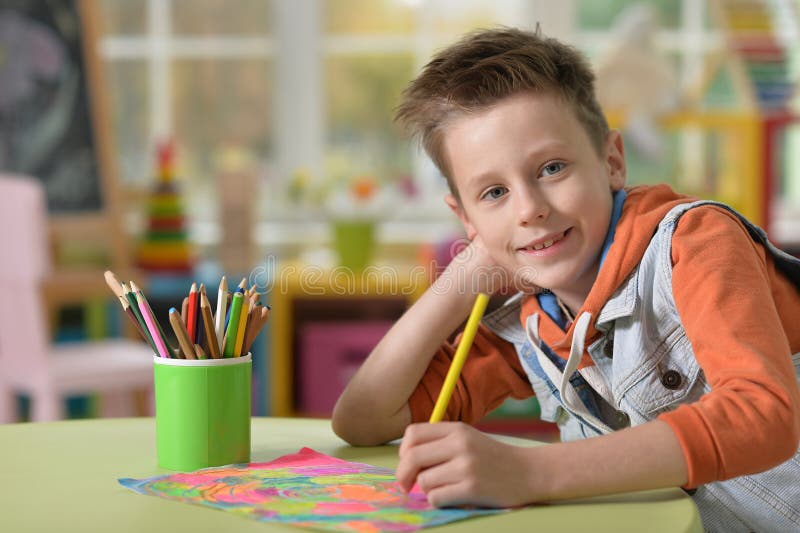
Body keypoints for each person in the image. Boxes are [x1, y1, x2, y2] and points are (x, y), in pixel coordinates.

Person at [331, 27, 800, 532]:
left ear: (612, 162)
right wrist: (463, 276)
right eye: (492, 193)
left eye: (552, 168)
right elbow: (362, 420)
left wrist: (528, 472)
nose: (530, 209)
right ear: (465, 218)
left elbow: (764, 417)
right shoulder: (533, 325)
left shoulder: (696, 242)